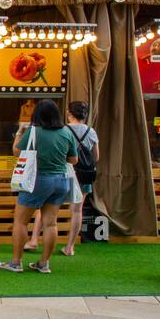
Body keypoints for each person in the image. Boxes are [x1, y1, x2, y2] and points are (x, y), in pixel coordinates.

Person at [0, 98, 77, 274]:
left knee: (20, 221)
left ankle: (16, 262)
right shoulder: (66, 132)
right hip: (61, 181)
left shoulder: (34, 131)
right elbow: (73, 160)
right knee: (51, 223)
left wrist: (19, 132)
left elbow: (17, 152)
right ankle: (44, 264)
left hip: (37, 180)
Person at [62, 101, 99, 257]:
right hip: (84, 175)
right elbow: (96, 157)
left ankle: (35, 239)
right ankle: (70, 247)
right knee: (77, 210)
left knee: (50, 208)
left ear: (69, 113)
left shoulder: (63, 130)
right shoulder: (91, 132)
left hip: (65, 172)